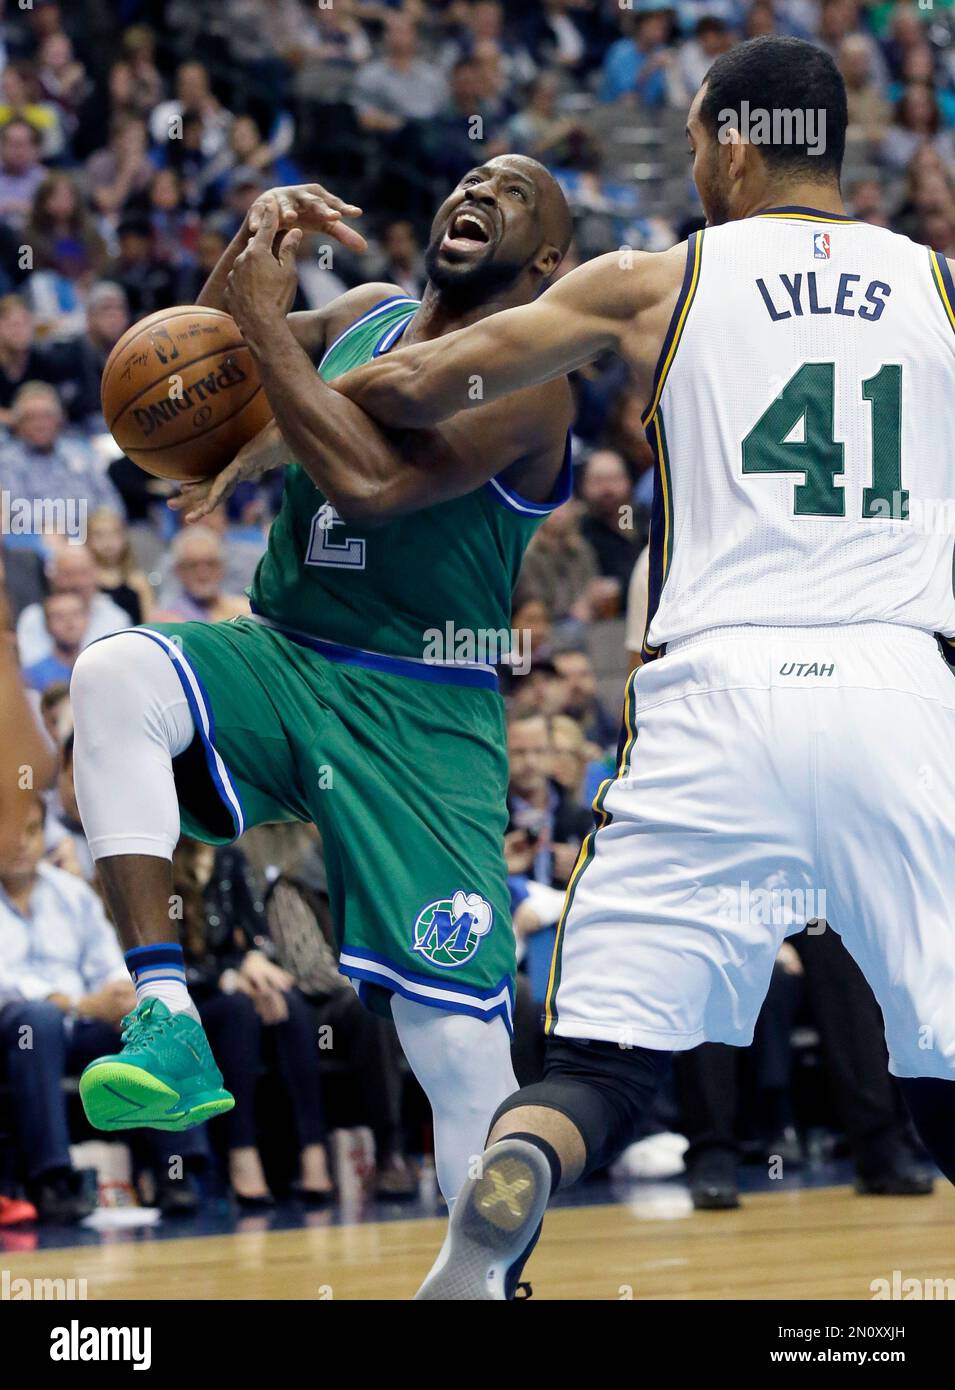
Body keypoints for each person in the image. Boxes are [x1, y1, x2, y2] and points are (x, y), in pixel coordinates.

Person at [338, 36, 955, 1297]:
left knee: (601, 1067)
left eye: (689, 145)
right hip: (901, 688)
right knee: (941, 1063)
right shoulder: (941, 285)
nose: (689, 166)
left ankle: (513, 1178)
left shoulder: (651, 280)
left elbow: (410, 387)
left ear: (731, 142)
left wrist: (274, 359)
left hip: (713, 691)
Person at [69, 161, 575, 1212]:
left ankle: (482, 1292)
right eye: (471, 178)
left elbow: (377, 483)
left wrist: (265, 328)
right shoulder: (364, 314)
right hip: (287, 656)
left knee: (454, 1044)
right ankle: (167, 1021)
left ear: (551, 259)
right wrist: (249, 253)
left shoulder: (533, 383)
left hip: (423, 711)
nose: (478, 192)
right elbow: (190, 352)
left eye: (514, 194)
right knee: (114, 670)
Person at [0, 797, 206, 1220]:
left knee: (153, 1018)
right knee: (39, 1021)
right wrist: (77, 1002)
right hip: (19, 1028)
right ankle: (52, 1178)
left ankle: (175, 1172)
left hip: (82, 1024)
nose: (22, 843)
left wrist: (121, 994)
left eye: (33, 830)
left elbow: (108, 963)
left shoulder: (71, 893)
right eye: (12, 831)